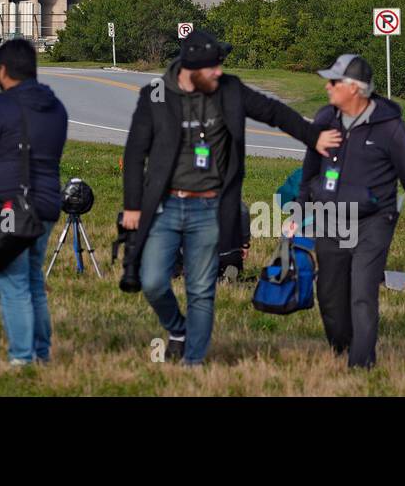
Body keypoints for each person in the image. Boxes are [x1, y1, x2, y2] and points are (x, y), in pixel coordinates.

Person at [120, 31, 341, 366]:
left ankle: (192, 362)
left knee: (201, 288)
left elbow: (274, 112)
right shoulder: (156, 96)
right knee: (152, 281)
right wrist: (133, 205)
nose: (219, 73)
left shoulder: (230, 90)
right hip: (166, 204)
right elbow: (135, 152)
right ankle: (178, 329)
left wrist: (314, 137)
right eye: (212, 68)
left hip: (210, 206)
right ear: (191, 69)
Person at [300, 53, 405, 369]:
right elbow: (309, 171)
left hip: (374, 220)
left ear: (354, 88)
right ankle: (343, 345)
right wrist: (300, 213)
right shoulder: (325, 119)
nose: (327, 87)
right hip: (331, 219)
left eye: (334, 82)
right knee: (330, 296)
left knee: (362, 292)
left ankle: (360, 365)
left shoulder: (389, 128)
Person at [0, 39, 68, 365]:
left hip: (9, 207)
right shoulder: (56, 108)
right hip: (46, 205)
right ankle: (41, 354)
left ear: (3, 70)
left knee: (13, 283)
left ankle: (22, 358)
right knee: (33, 281)